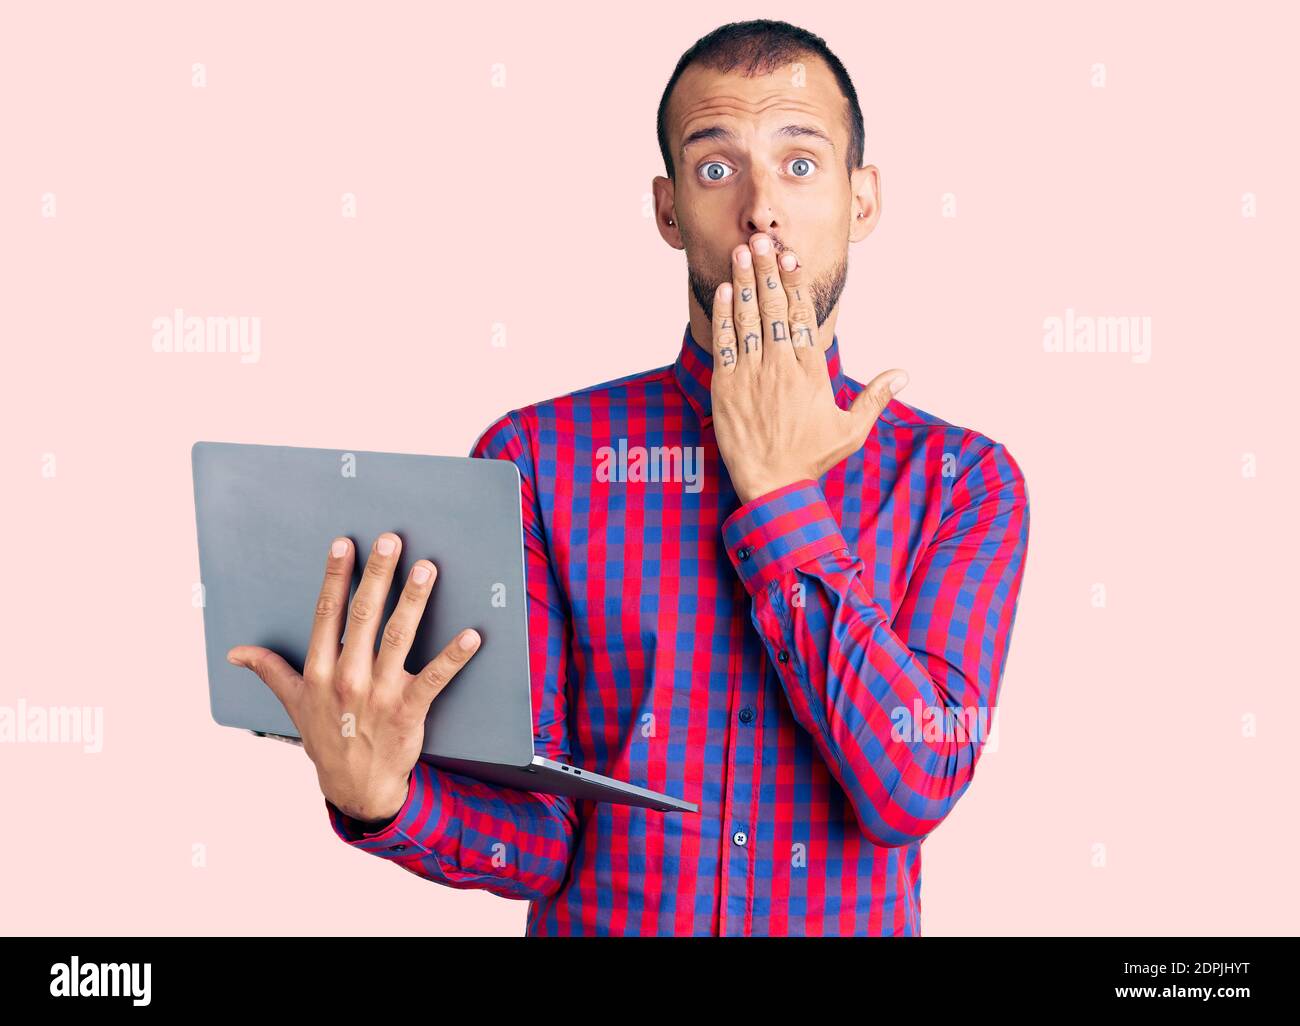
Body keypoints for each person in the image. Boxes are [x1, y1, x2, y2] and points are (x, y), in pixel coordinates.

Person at [227, 18, 1031, 936]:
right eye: (717, 168)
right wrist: (386, 798)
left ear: (863, 200)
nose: (762, 207)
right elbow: (546, 842)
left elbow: (910, 788)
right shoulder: (537, 458)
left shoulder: (963, 480)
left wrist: (776, 497)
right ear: (668, 208)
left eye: (801, 164)